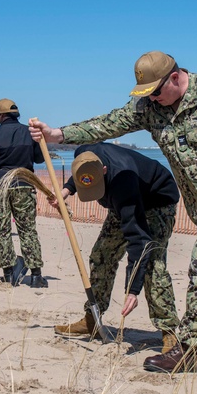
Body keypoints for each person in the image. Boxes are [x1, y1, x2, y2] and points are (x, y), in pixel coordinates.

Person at [29, 51, 197, 373]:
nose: (152, 99)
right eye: (147, 94)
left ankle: (188, 348)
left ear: (175, 78)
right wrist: (59, 135)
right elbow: (110, 123)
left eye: (156, 91)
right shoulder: (151, 107)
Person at [51, 144, 180, 352]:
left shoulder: (123, 182)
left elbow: (139, 241)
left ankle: (169, 331)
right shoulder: (84, 156)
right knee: (102, 254)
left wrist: (132, 290)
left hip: (156, 202)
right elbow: (81, 173)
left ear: (103, 170)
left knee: (152, 266)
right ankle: (92, 318)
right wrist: (66, 190)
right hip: (121, 201)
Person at [0, 98, 47, 287]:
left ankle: (8, 274)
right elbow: (39, 158)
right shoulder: (29, 134)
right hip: (23, 183)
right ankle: (37, 276)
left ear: (0, 116)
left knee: (2, 231)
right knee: (28, 229)